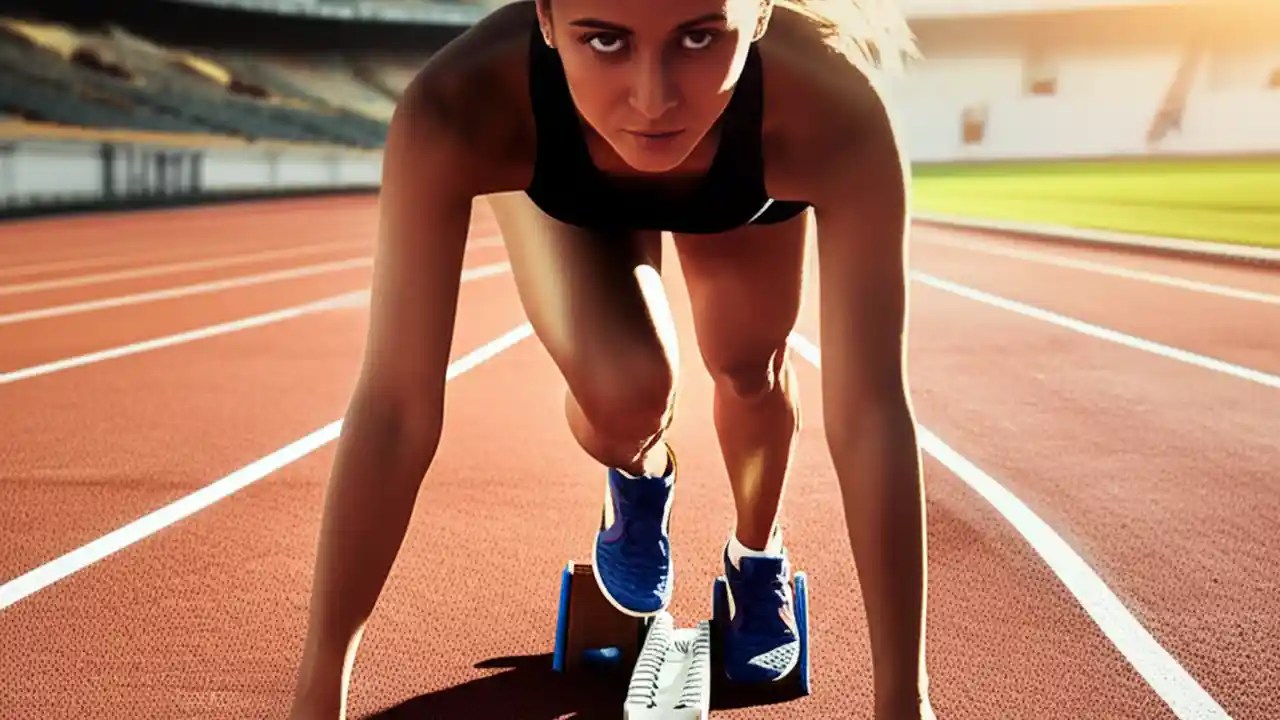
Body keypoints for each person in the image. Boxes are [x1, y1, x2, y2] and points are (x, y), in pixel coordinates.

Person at [287, 0, 934, 718]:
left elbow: (871, 412)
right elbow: (397, 408)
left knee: (750, 368)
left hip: (741, 181)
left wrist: (905, 700)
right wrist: (317, 697)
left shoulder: (830, 112)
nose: (653, 99)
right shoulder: (463, 106)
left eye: (698, 36)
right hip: (568, 189)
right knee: (631, 391)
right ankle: (641, 472)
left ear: (757, 17)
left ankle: (756, 559)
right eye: (604, 39)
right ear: (544, 16)